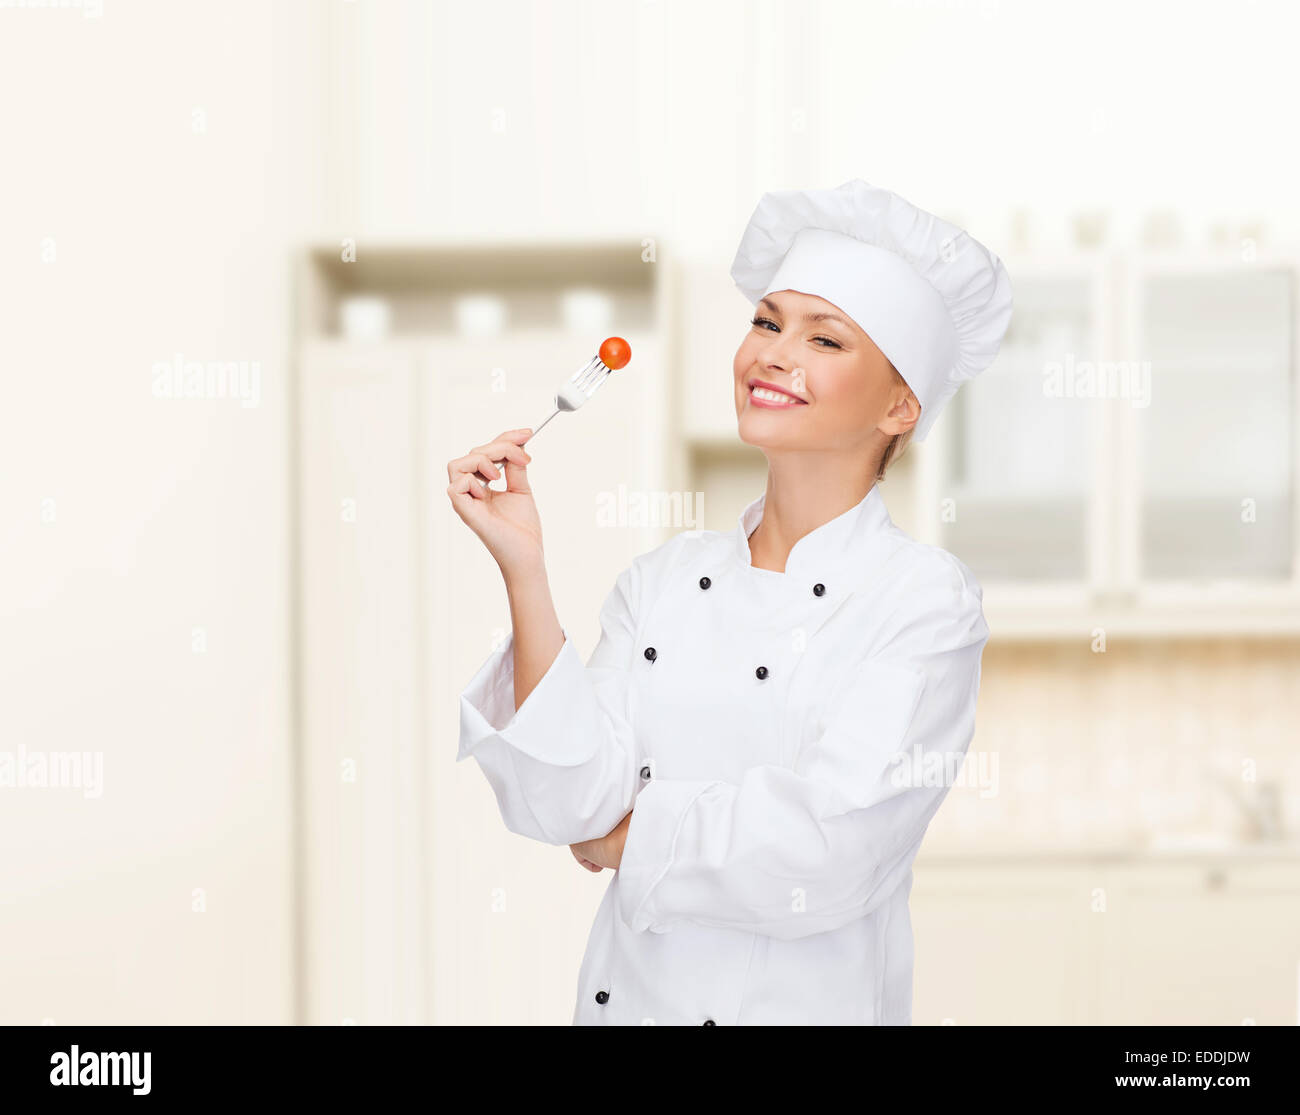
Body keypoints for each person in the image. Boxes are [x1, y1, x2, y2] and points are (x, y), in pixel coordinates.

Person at [446, 178, 1013, 1025]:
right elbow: (561, 801)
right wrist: (525, 568)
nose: (774, 354)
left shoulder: (922, 601)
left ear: (902, 405)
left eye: (826, 338)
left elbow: (828, 847)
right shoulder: (665, 580)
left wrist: (627, 838)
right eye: (766, 322)